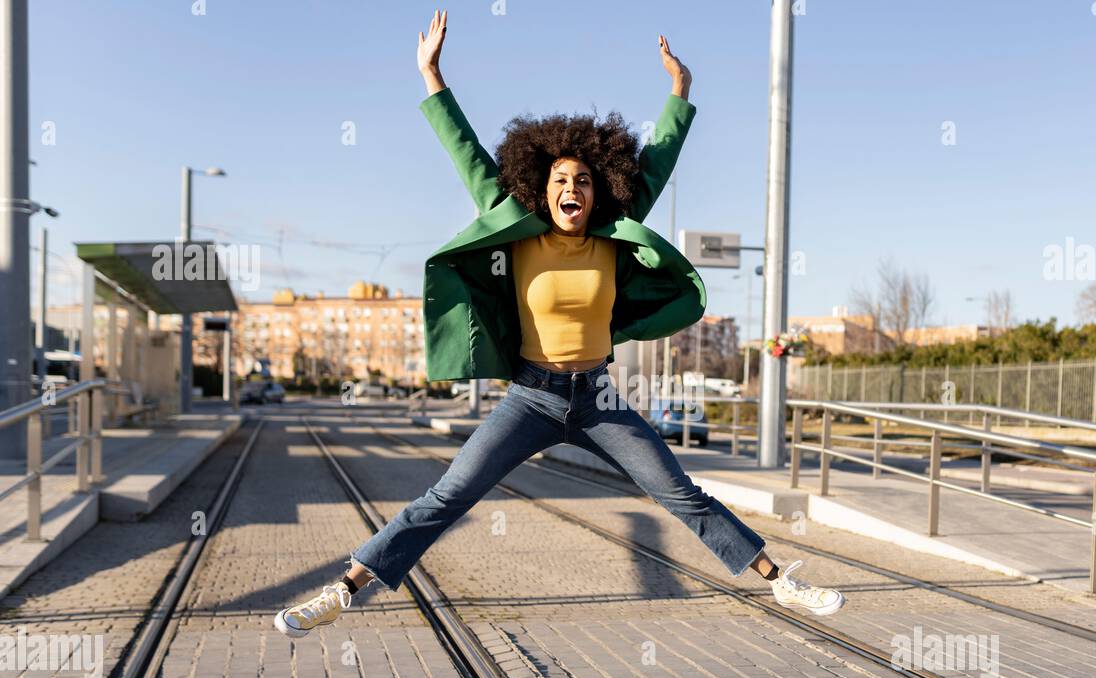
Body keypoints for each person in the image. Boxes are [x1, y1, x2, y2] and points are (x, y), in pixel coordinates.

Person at [274, 10, 843, 640]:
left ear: (599, 192)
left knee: (681, 494)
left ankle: (780, 581)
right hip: (530, 397)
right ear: (539, 189)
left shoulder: (609, 236)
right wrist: (432, 76)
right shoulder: (515, 230)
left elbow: (656, 161)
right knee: (447, 497)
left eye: (583, 181)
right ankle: (345, 588)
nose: (572, 189)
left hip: (598, 397)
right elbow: (465, 152)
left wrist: (679, 93)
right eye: (560, 181)